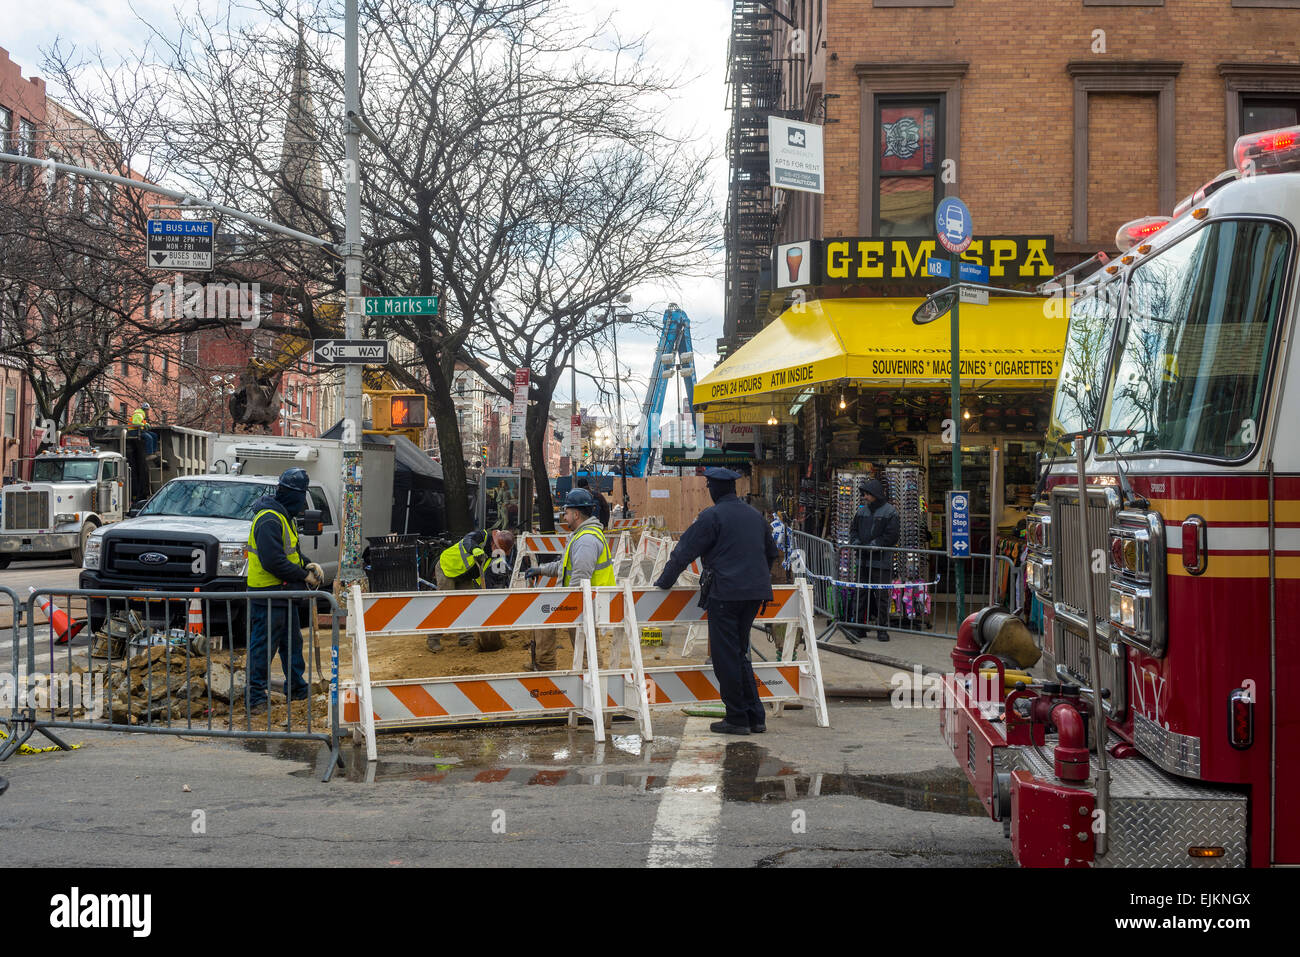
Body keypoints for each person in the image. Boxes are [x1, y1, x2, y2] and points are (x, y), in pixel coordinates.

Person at [654, 467, 780, 735]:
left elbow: (683, 552)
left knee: (725, 657)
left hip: (726, 594)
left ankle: (736, 718)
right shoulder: (755, 516)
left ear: (713, 489)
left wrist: (663, 583)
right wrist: (757, 578)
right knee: (739, 652)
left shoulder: (711, 517)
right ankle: (755, 716)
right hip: (754, 593)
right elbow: (771, 553)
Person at [245, 467, 324, 712]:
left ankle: (298, 690)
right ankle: (255, 697)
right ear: (290, 495)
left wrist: (306, 563)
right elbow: (273, 561)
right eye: (300, 497)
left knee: (292, 644)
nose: (302, 504)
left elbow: (289, 554)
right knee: (263, 646)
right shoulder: (269, 519)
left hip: (284, 593)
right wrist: (304, 576)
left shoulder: (283, 517)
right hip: (268, 593)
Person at [522, 488, 614, 670]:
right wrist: (540, 569)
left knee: (587, 651)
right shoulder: (581, 536)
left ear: (576, 514)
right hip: (585, 599)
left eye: (567, 513)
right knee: (547, 615)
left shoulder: (586, 540)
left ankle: (593, 681)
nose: (564, 517)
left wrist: (566, 604)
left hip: (589, 602)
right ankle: (547, 665)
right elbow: (563, 567)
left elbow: (580, 578)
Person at [431, 527, 515, 652]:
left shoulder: (497, 556)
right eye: (497, 548)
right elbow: (468, 540)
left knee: (466, 605)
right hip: (448, 568)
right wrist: (474, 549)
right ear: (494, 541)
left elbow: (490, 577)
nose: (497, 551)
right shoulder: (482, 535)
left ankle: (465, 638)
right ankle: (433, 639)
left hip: (465, 576)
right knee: (445, 605)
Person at [849, 476, 900, 642]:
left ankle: (882, 629)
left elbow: (892, 535)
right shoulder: (862, 511)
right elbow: (854, 530)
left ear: (875, 494)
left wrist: (875, 544)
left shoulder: (890, 512)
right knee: (860, 594)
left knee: (882, 596)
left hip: (881, 562)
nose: (865, 497)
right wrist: (857, 542)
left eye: (867, 494)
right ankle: (859, 628)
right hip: (863, 560)